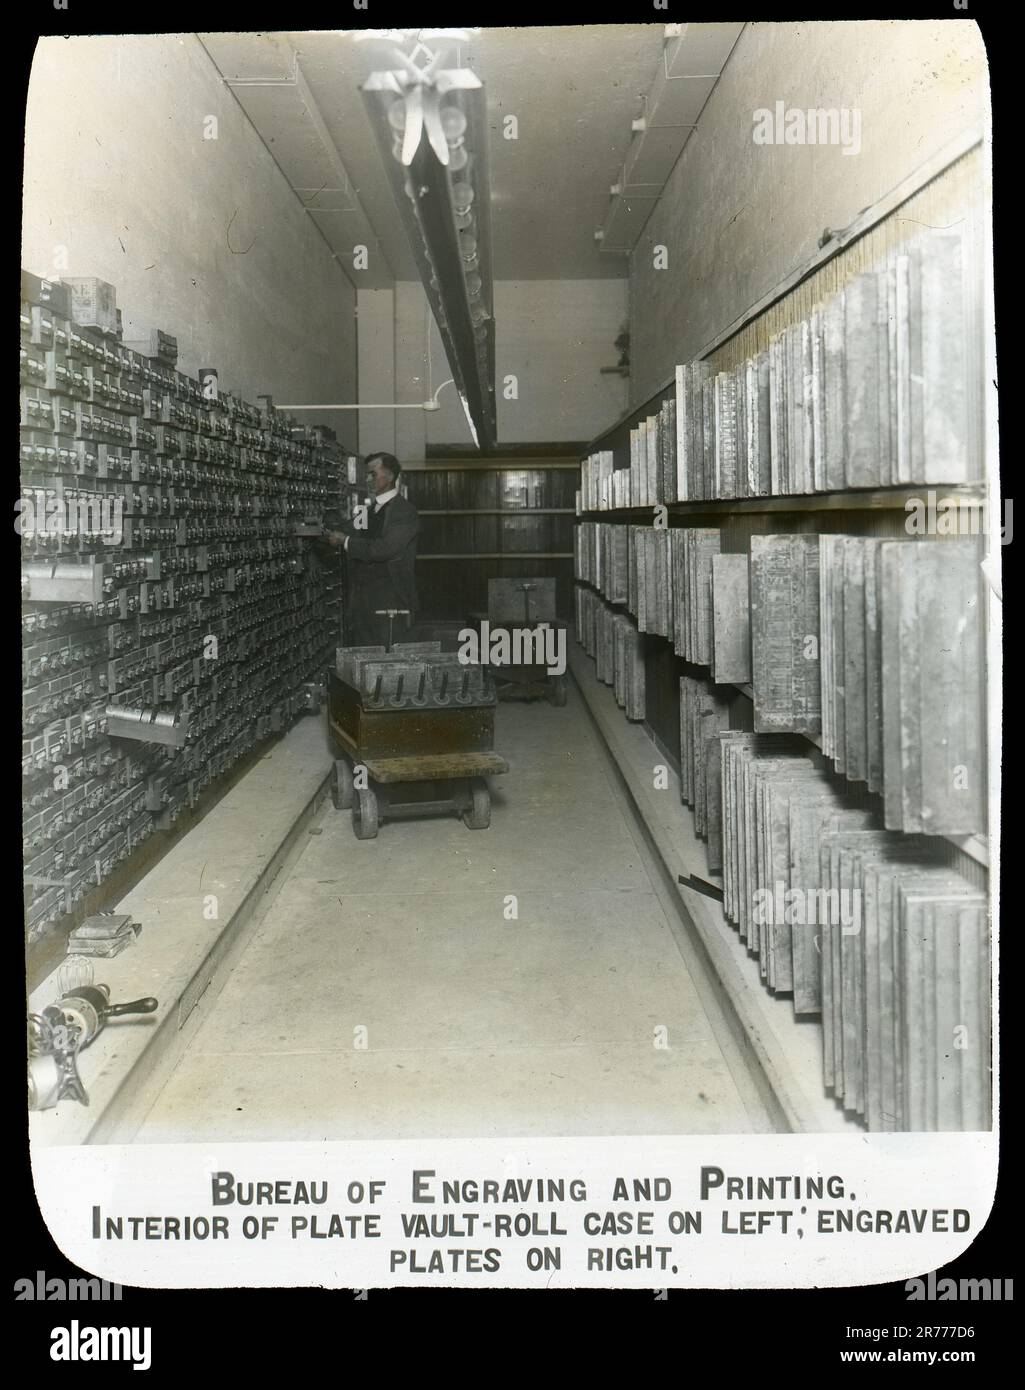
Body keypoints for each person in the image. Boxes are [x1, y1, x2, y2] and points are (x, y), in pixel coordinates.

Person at [327, 452, 419, 648]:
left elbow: (385, 549)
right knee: (365, 653)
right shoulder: (368, 511)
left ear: (391, 476)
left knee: (389, 654)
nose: (368, 479)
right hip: (362, 599)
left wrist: (345, 541)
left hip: (390, 599)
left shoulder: (404, 512)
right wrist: (322, 531)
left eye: (373, 474)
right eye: (367, 475)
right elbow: (349, 529)